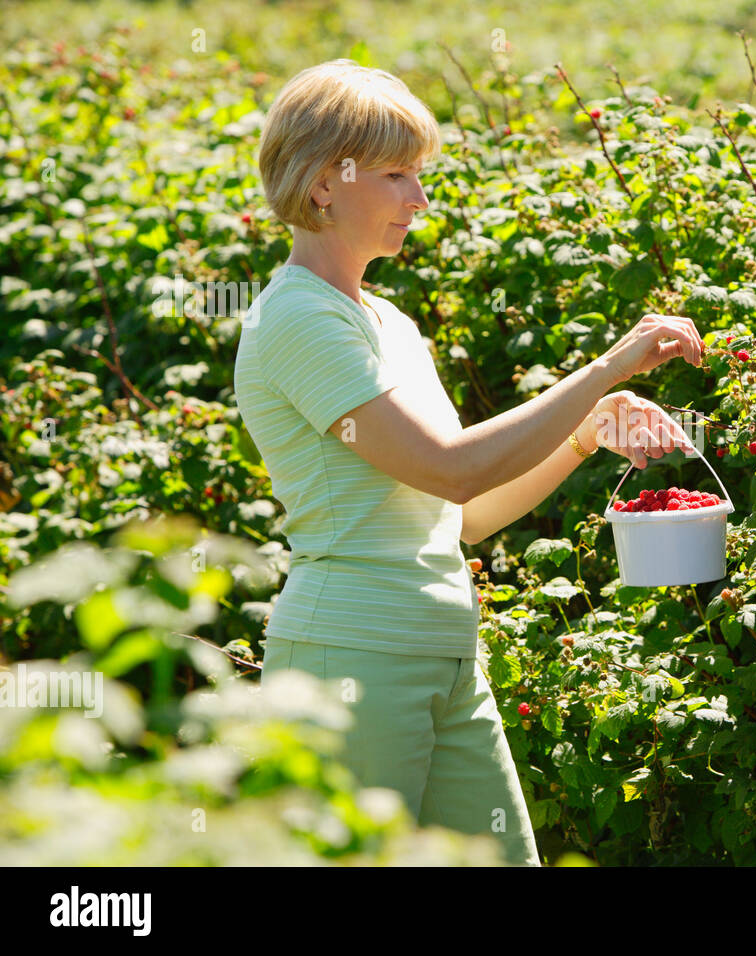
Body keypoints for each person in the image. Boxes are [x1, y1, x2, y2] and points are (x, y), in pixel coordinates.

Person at [233, 59, 702, 866]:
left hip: (444, 648)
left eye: (419, 174)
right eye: (397, 175)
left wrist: (586, 433)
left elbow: (463, 513)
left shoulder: (387, 323)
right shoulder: (298, 321)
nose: (419, 199)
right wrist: (604, 371)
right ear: (323, 185)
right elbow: (450, 466)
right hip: (355, 656)